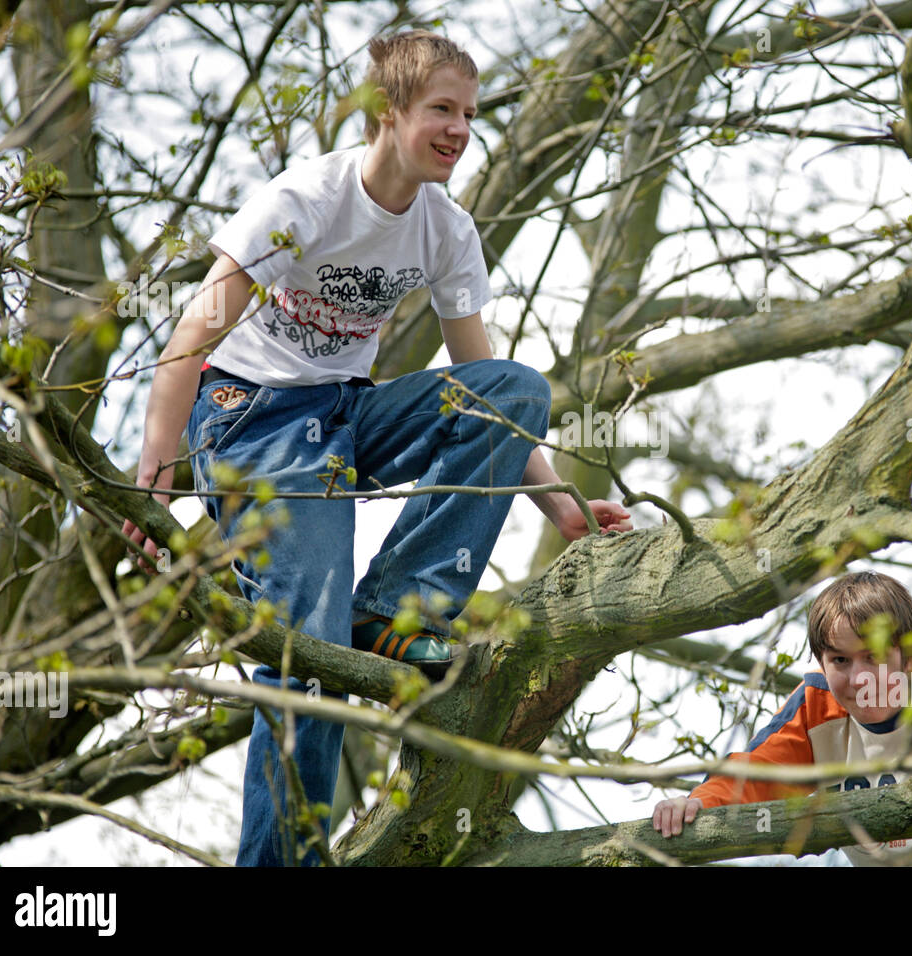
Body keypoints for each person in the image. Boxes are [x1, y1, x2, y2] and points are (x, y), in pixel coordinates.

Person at [121, 30, 631, 866]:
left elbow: (487, 397)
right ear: (389, 113)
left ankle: (398, 610)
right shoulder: (305, 199)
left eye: (469, 114)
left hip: (345, 415)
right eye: (441, 110)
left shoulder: (446, 230)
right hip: (252, 419)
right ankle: (283, 859)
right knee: (307, 655)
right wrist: (157, 469)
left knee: (518, 387)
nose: (460, 130)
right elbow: (195, 330)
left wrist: (561, 505)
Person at [651, 571, 912, 866]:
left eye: (873, 657)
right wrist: (696, 805)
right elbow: (755, 772)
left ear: (908, 657)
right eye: (840, 660)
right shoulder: (814, 707)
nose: (859, 679)